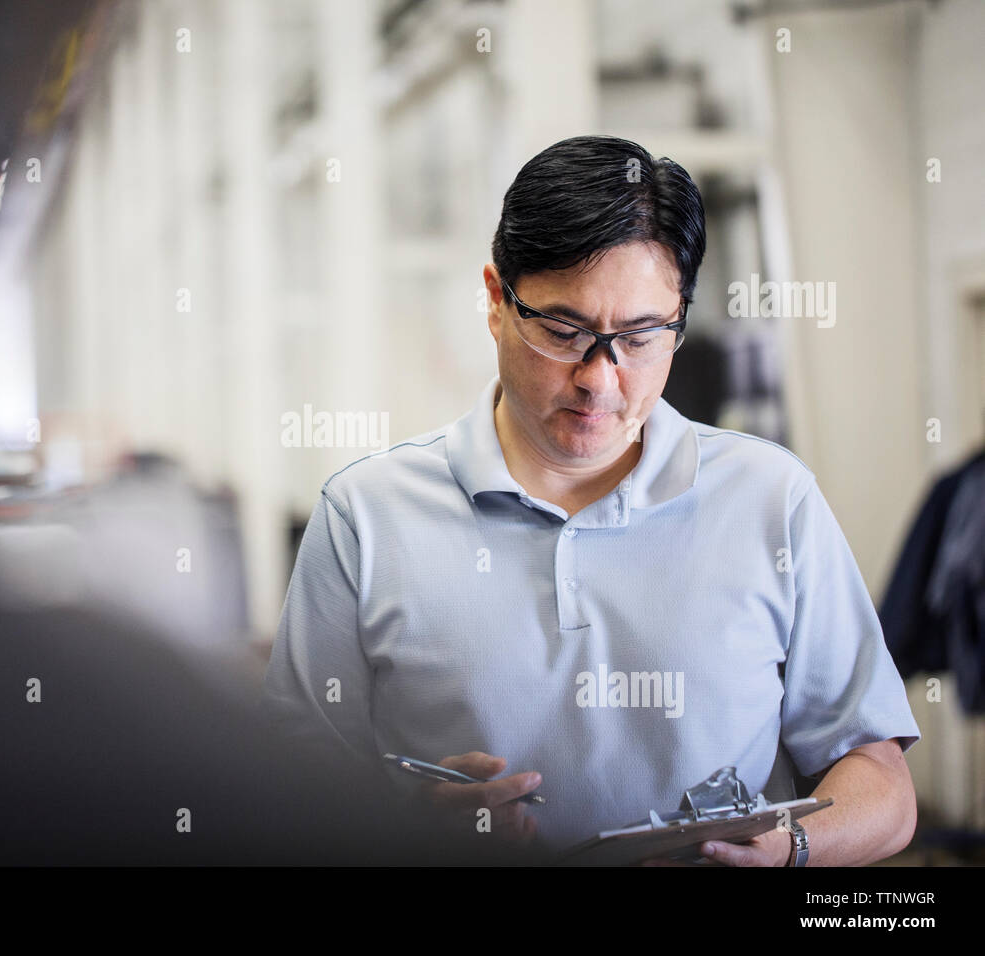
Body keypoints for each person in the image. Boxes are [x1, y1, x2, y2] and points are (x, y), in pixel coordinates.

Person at [261, 135, 920, 865]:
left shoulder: (773, 501)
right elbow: (280, 797)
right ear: (494, 300)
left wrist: (790, 848)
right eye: (564, 331)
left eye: (640, 337)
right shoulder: (367, 518)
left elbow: (883, 786)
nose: (600, 380)